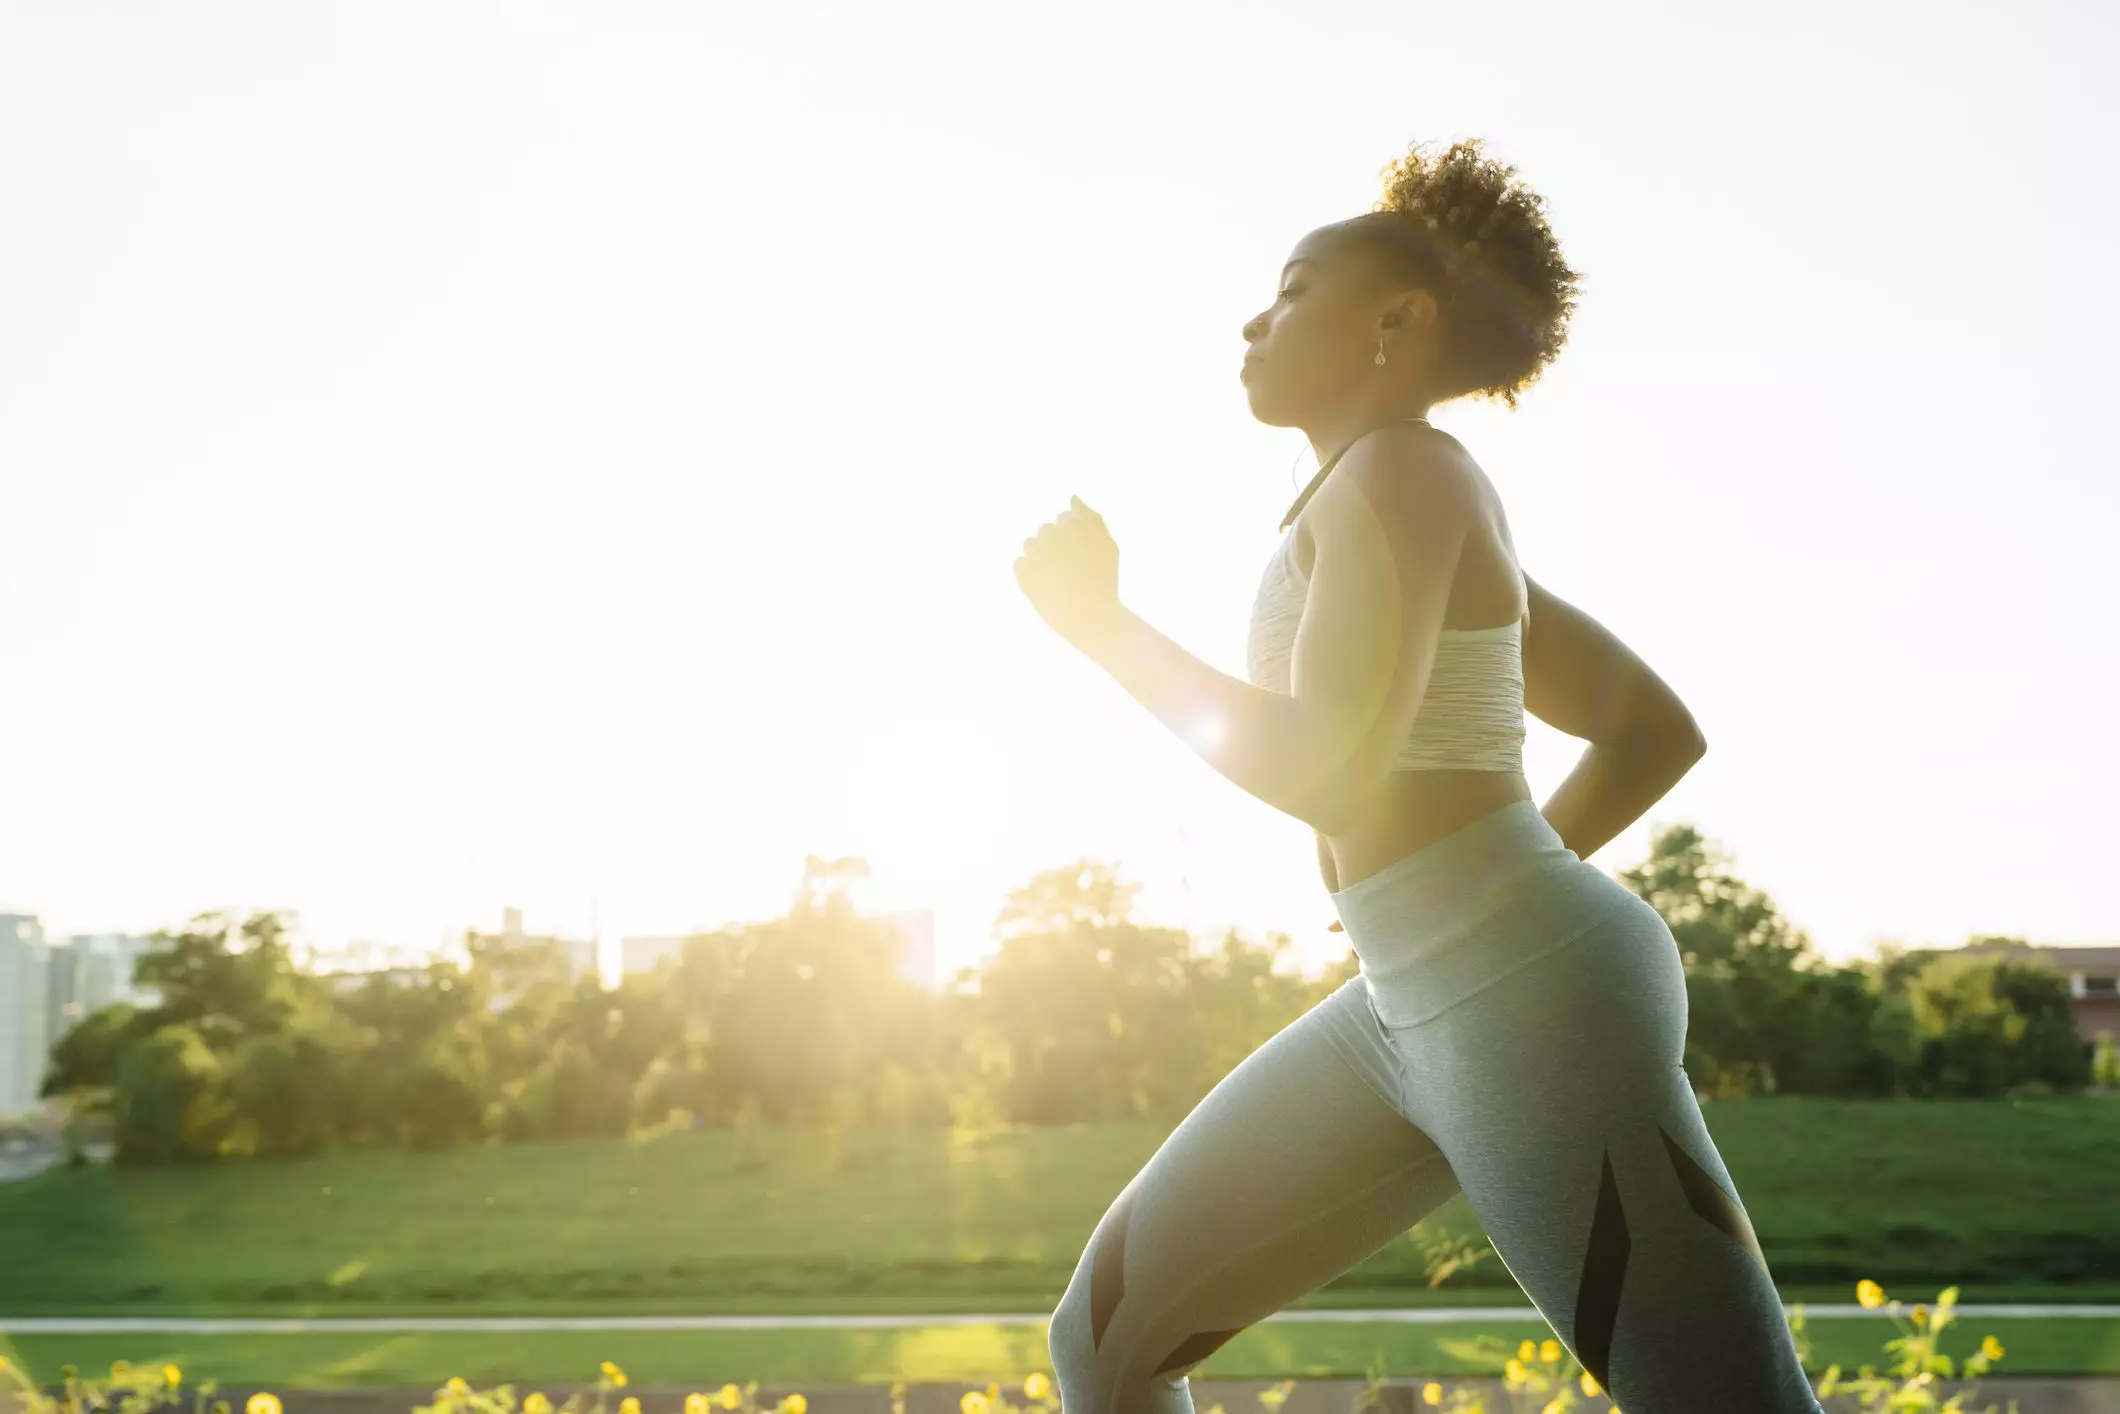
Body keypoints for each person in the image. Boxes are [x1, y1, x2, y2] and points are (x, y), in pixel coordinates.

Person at [1012, 139, 1824, 1413]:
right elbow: (1648, 728)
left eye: (1288, 289)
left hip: (1524, 994)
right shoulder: (1401, 489)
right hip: (1403, 992)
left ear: (1396, 321)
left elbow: (1332, 768)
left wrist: (1098, 622)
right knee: (1104, 1341)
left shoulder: (1405, 469)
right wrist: (1458, 892)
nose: (1250, 317)